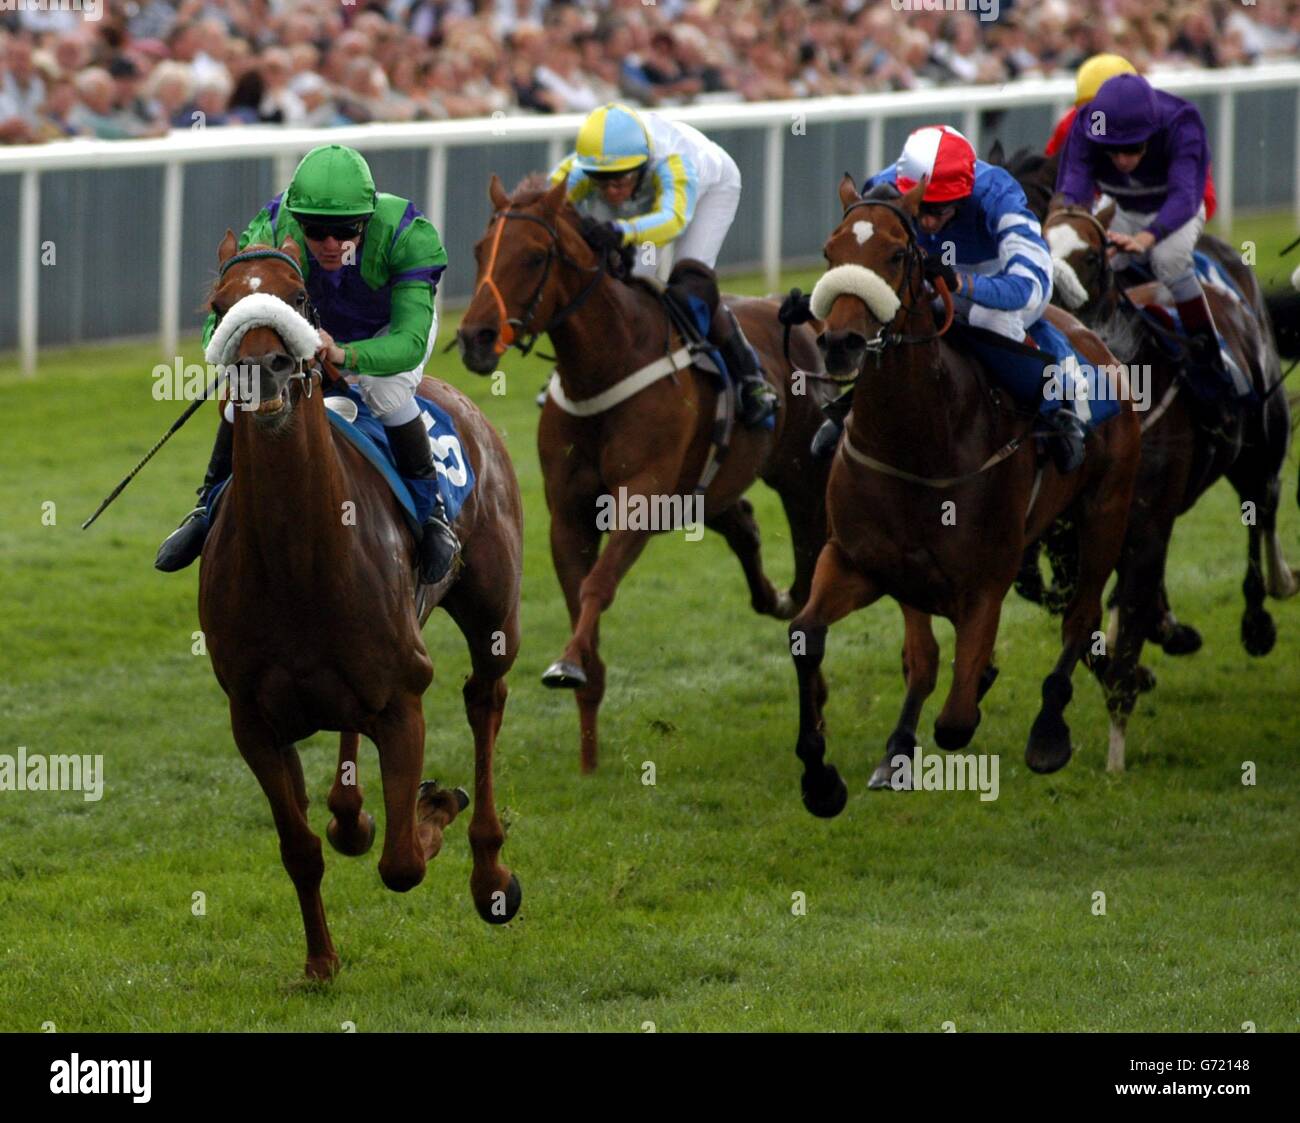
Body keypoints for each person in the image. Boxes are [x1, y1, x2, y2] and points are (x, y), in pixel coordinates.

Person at [155, 144, 460, 583]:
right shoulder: (271, 227)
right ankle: (206, 508)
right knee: (247, 388)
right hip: (305, 319)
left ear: (368, 219)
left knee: (386, 392)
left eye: (346, 230)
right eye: (316, 231)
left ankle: (431, 515)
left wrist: (344, 354)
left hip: (386, 329)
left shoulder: (408, 234)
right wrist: (233, 355)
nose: (331, 244)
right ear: (297, 221)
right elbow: (223, 319)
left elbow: (410, 342)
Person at [808, 124, 1088, 472]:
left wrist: (959, 283)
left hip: (1007, 278)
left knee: (987, 318)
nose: (927, 222)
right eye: (920, 208)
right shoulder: (883, 188)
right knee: (891, 314)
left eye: (939, 210)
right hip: (929, 273)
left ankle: (1056, 407)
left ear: (963, 194)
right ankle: (850, 408)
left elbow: (1023, 289)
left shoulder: (999, 195)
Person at [549, 102, 777, 427]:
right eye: (602, 181)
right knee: (619, 283)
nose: (611, 191)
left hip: (711, 187)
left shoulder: (672, 162)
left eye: (620, 180)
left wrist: (620, 231)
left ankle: (749, 377)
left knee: (691, 283)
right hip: (649, 195)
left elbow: (673, 220)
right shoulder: (582, 166)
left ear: (642, 165)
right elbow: (541, 204)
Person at [1054, 72, 1252, 430]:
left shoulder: (1182, 122)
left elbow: (1185, 196)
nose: (1121, 159)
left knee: (1167, 260)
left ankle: (1209, 358)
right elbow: (1074, 190)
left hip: (1175, 210)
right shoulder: (1087, 124)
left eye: (1133, 149)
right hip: (1123, 208)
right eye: (1113, 149)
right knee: (1089, 260)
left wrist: (1146, 238)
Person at [1045, 53, 1217, 221]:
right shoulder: (1075, 123)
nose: (1095, 117)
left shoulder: (1175, 128)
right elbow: (1055, 174)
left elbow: (1200, 195)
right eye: (1090, 109)